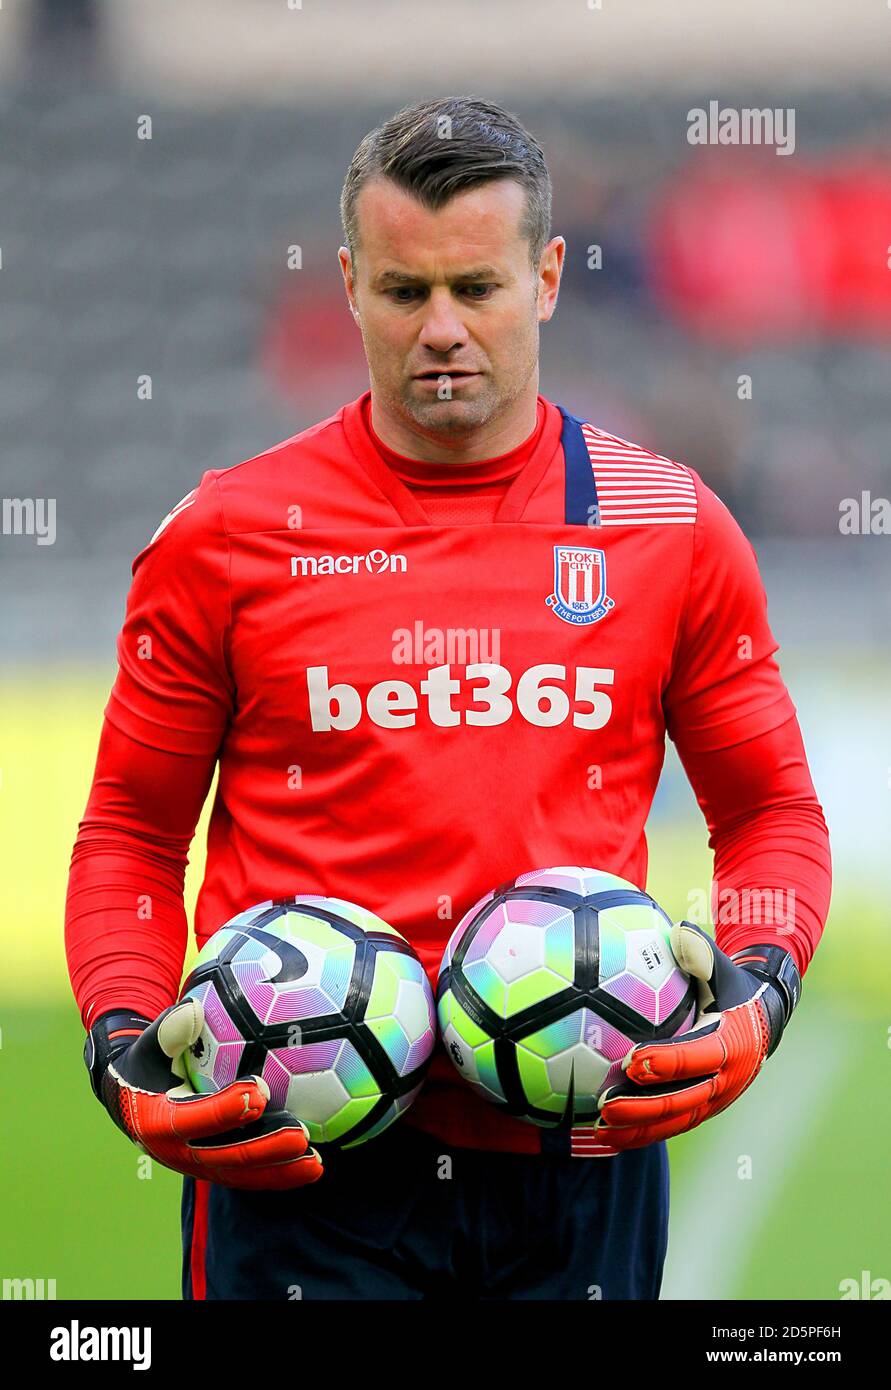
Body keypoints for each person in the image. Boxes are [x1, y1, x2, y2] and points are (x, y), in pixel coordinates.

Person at [65, 95, 831, 1301]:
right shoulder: (229, 533)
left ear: (549, 278)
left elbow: (773, 812)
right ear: (351, 284)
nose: (441, 330)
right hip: (298, 1160)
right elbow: (130, 834)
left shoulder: (670, 525)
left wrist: (762, 983)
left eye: (476, 288)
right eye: (403, 290)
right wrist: (122, 1050)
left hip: (584, 1148)